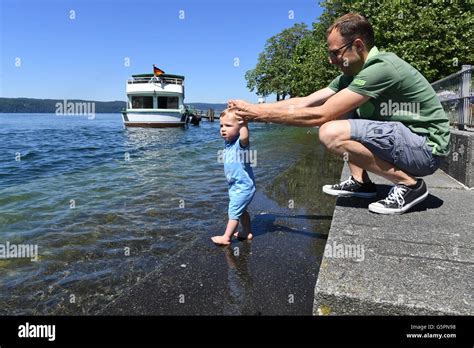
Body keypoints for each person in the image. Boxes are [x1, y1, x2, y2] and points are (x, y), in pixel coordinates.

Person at [230, 13, 450, 215]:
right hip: (406, 143)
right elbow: (305, 102)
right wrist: (250, 107)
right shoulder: (352, 74)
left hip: (425, 150)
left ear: (358, 45)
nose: (331, 60)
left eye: (335, 53)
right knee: (340, 110)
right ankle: (360, 182)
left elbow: (321, 115)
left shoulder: (382, 67)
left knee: (330, 132)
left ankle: (411, 186)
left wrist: (256, 115)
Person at [211, 109, 256, 245]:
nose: (223, 129)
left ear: (240, 127)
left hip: (242, 187)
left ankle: (226, 237)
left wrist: (244, 124)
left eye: (228, 126)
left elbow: (244, 137)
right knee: (241, 211)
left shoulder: (240, 145)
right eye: (221, 126)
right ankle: (247, 231)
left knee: (233, 212)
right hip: (235, 186)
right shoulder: (228, 143)